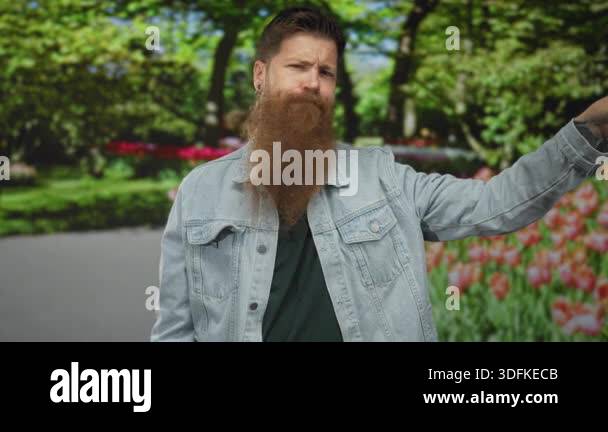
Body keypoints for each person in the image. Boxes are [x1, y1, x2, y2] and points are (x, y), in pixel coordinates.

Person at [151, 6, 608, 342]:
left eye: (326, 72)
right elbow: (175, 331)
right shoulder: (200, 192)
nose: (313, 82)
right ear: (260, 75)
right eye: (298, 67)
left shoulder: (382, 176)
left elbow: (495, 204)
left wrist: (587, 131)